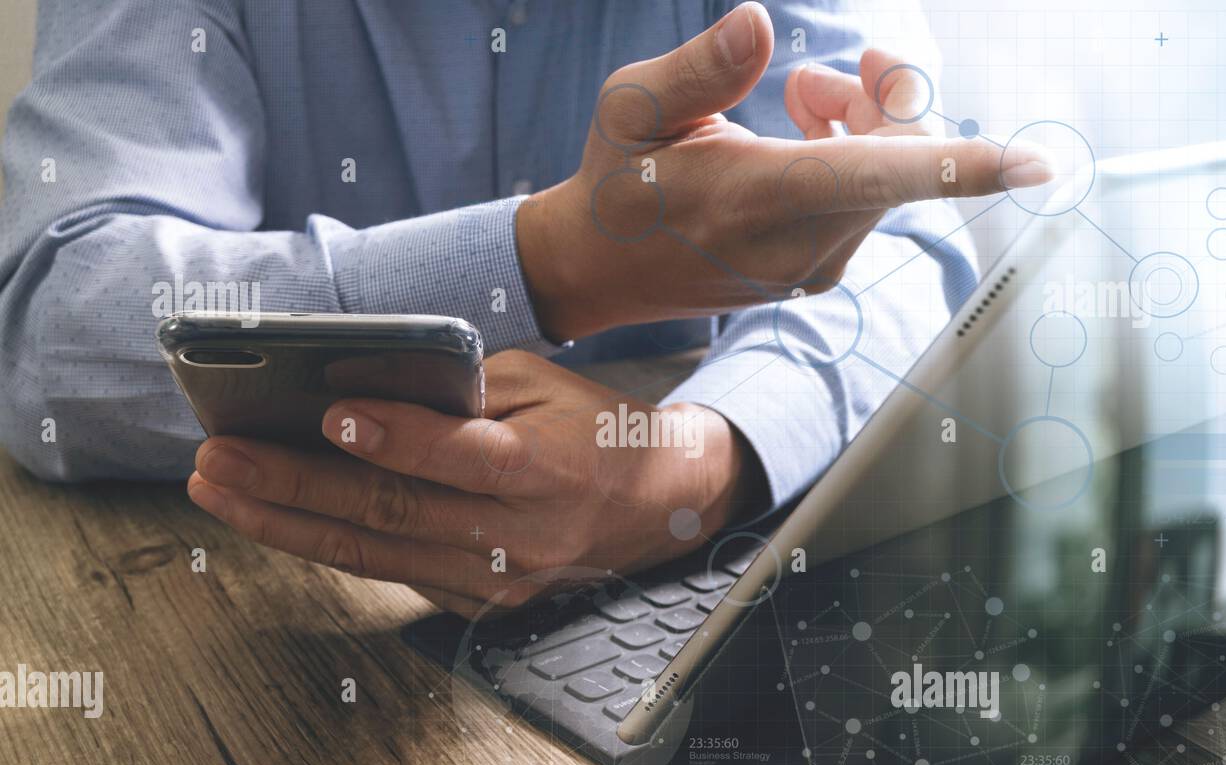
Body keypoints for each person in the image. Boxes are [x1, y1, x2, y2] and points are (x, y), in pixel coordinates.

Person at [0, 1, 1050, 617]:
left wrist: (703, 456)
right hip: (242, 626)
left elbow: (916, 221)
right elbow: (60, 322)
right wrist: (553, 262)